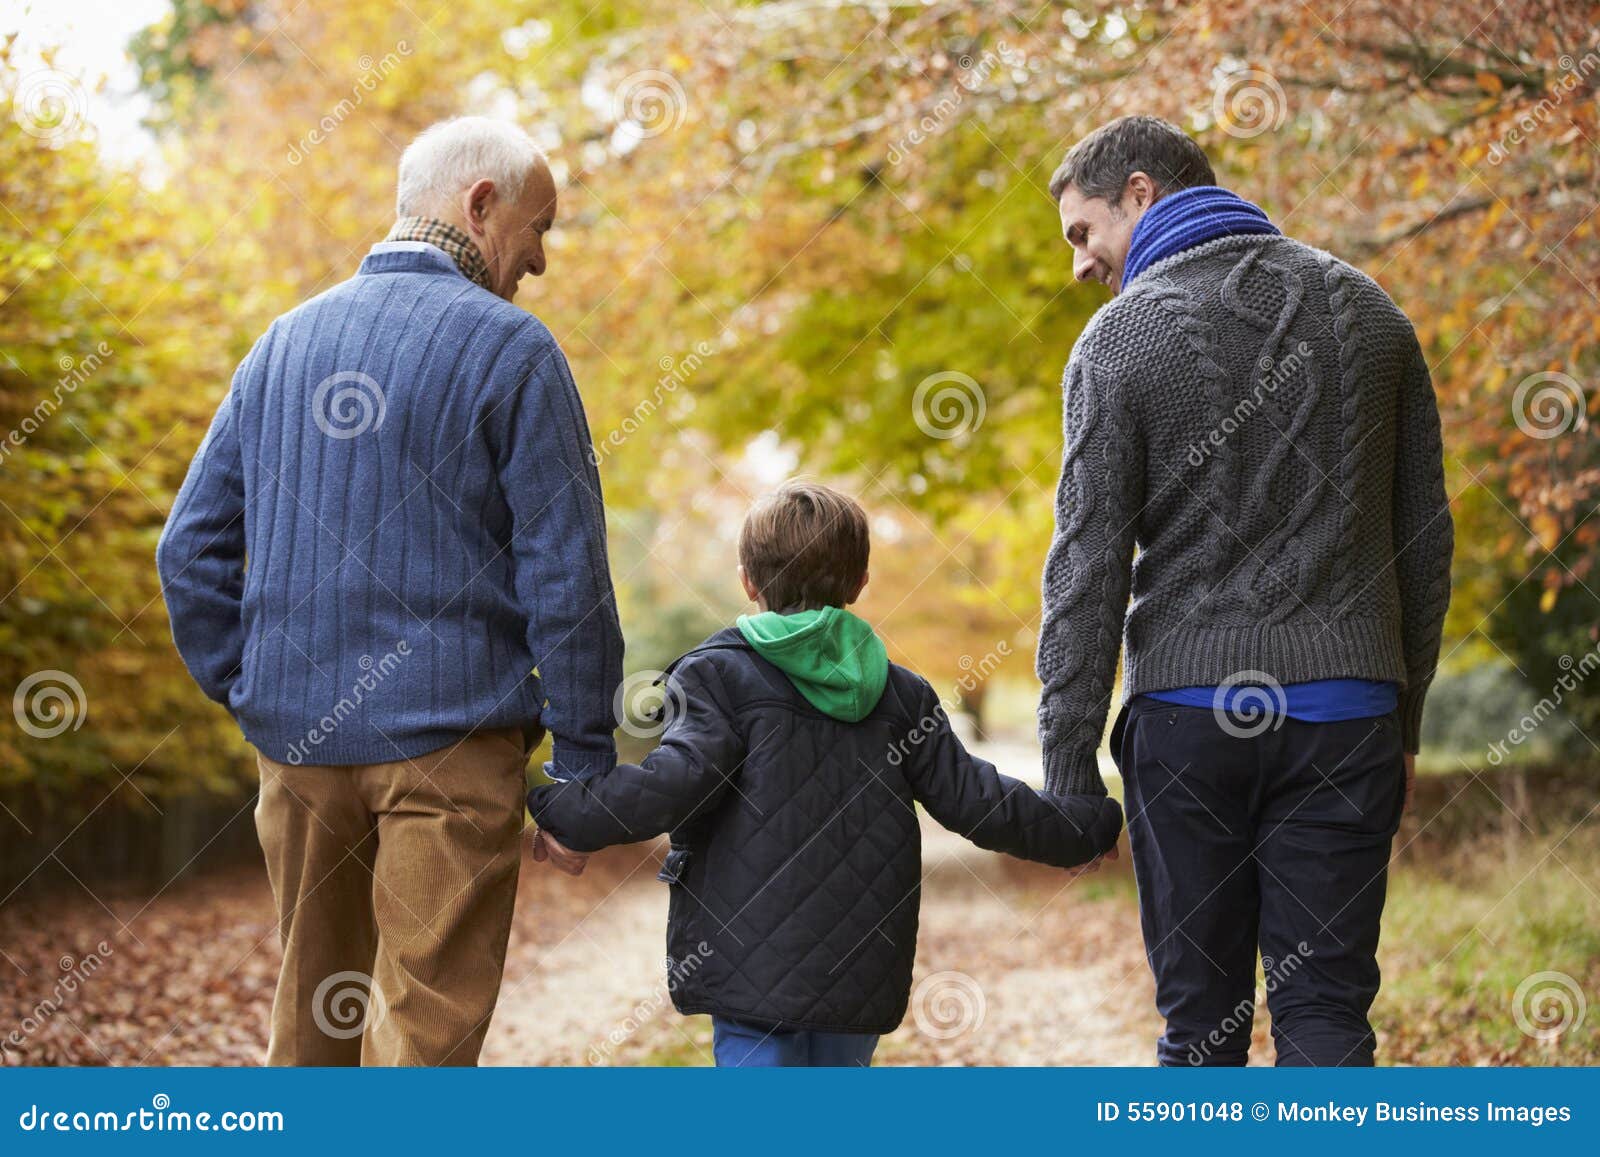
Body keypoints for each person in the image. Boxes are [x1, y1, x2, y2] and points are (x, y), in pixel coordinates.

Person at [155, 117, 623, 1065]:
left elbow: (187, 550)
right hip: (452, 750)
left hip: (300, 752)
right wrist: (580, 762)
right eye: (538, 227)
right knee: (425, 1035)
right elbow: (567, 576)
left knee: (311, 1026)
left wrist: (254, 689)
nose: (540, 258)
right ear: (479, 203)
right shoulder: (516, 352)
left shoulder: (281, 345)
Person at [1034, 114, 1453, 1066]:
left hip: (1189, 723)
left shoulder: (1119, 341)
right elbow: (1424, 546)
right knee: (1327, 1020)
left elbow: (1085, 572)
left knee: (1200, 1030)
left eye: (1082, 232)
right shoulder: (1372, 315)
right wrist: (1404, 722)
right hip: (1347, 716)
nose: (1080, 264)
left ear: (1141, 193)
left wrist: (1067, 775)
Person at [528, 481, 1122, 1066]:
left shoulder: (718, 678)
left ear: (747, 580)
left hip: (748, 959)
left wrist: (566, 811)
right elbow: (977, 799)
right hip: (859, 961)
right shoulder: (902, 695)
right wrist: (1079, 829)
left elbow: (673, 783)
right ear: (860, 582)